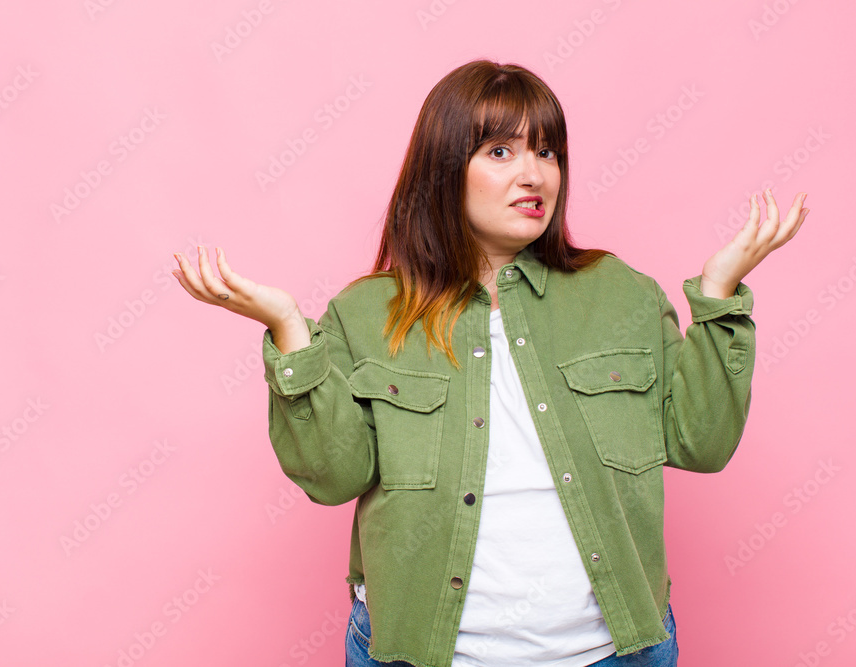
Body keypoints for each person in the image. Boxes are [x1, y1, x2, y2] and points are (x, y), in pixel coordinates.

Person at [172, 59, 809, 667]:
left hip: (611, 652)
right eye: (501, 152)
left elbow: (703, 442)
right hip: (415, 651)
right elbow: (333, 477)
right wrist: (289, 330)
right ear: (445, 168)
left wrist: (720, 298)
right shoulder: (365, 315)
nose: (534, 175)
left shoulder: (623, 295)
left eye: (547, 151)